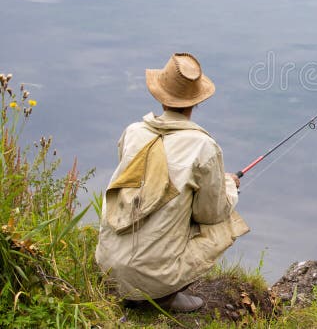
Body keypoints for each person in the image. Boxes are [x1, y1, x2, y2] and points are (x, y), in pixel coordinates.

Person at [95, 53, 249, 312]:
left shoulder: (133, 132)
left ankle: (129, 280)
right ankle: (162, 295)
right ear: (195, 103)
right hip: (154, 279)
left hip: (108, 264)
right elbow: (210, 214)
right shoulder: (203, 146)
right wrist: (229, 186)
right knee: (225, 221)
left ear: (160, 95)